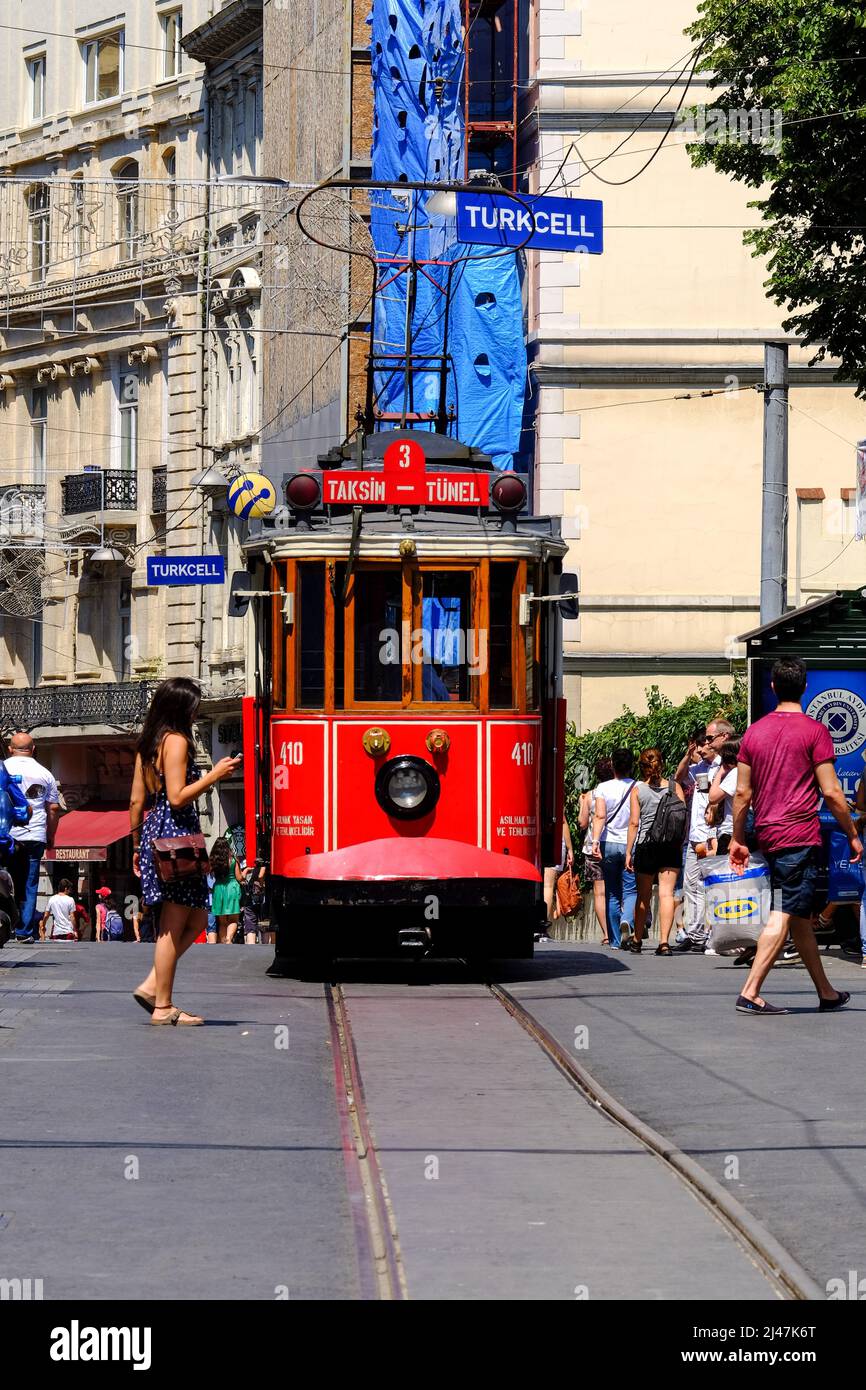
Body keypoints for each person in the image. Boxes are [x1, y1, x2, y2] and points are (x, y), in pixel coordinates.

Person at [730, 656, 862, 1015]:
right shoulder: (814, 731)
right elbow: (833, 792)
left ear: (773, 688)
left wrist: (737, 838)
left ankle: (826, 992)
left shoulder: (754, 732)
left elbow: (742, 793)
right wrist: (852, 833)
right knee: (786, 909)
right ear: (804, 687)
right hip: (799, 835)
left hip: (769, 834)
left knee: (799, 914)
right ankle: (751, 991)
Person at [129, 677, 241, 1026]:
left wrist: (136, 845)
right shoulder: (175, 741)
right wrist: (215, 774)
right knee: (173, 923)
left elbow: (136, 800)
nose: (196, 712)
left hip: (158, 834)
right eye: (193, 706)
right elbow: (177, 796)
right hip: (175, 837)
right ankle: (162, 1007)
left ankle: (152, 985)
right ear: (180, 708)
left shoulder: (148, 745)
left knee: (193, 920)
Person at [673, 719, 735, 953]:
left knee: (712, 885)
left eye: (706, 742)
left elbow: (718, 798)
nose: (702, 748)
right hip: (695, 834)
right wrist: (688, 756)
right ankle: (696, 933)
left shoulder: (723, 765)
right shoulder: (699, 767)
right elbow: (678, 777)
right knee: (691, 885)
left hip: (712, 833)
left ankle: (713, 933)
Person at [626, 748, 686, 955]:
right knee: (667, 894)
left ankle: (636, 940)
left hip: (646, 845)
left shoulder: (638, 790)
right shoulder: (675, 787)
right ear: (662, 763)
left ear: (642, 767)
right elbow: (682, 819)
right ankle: (664, 943)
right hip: (670, 846)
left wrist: (628, 852)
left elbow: (634, 823)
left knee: (643, 897)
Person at [4, 731, 61, 943]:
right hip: (35, 834)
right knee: (29, 882)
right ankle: (24, 931)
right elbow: (53, 809)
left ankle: (5, 923)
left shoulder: (3, 769)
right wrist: (51, 835)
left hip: (6, 834)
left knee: (4, 877)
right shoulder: (45, 773)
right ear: (33, 749)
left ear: (10, 749)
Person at [591, 748, 637, 949]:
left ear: (613, 765)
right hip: (630, 842)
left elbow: (600, 816)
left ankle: (616, 940)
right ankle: (627, 919)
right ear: (632, 766)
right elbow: (636, 819)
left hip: (607, 842)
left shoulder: (602, 787)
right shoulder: (638, 786)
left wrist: (594, 841)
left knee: (612, 892)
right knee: (631, 889)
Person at [579, 758, 612, 944]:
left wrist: (583, 804)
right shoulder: (625, 789)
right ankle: (623, 926)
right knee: (620, 889)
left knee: (599, 892)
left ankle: (607, 934)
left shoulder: (590, 795)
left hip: (592, 845)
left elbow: (582, 823)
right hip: (617, 843)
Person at [540, 820, 574, 940]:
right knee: (547, 886)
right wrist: (570, 848)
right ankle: (543, 926)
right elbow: (563, 821)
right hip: (553, 840)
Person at [208, 837, 242, 943]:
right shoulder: (233, 860)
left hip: (219, 889)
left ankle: (223, 942)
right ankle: (228, 939)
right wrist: (245, 873)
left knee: (222, 921)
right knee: (233, 919)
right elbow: (239, 878)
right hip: (232, 888)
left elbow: (209, 874)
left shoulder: (213, 860)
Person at [239, 860, 267, 945]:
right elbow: (261, 875)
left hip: (250, 898)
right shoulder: (265, 865)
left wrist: (247, 869)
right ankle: (266, 949)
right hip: (262, 898)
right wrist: (262, 885)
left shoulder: (251, 868)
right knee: (265, 924)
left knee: (250, 926)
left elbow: (242, 878)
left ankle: (251, 949)